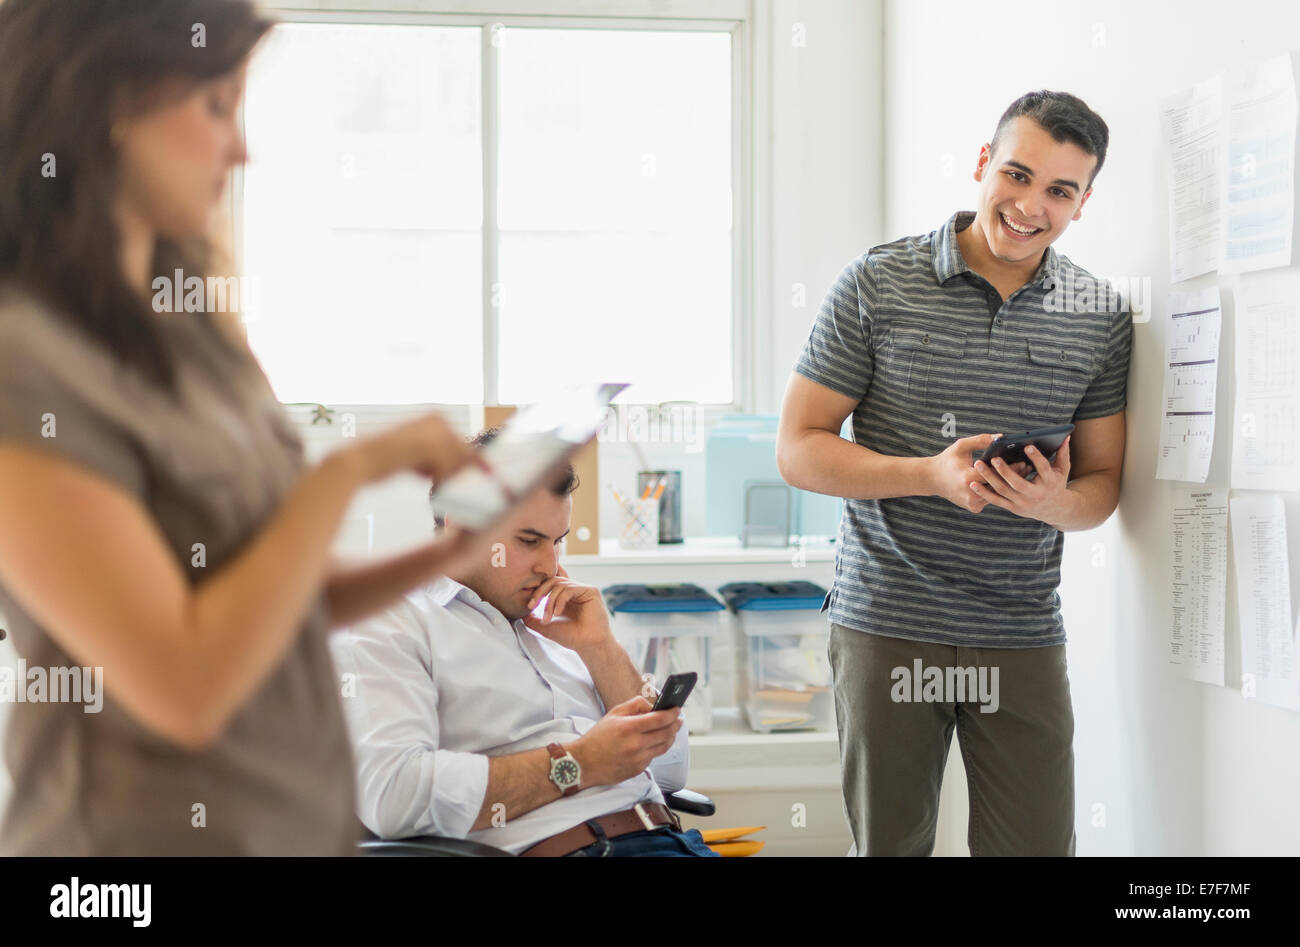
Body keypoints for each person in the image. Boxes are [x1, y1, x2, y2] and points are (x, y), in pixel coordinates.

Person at [0, 0, 501, 855]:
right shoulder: (24, 364)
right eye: (216, 106)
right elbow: (185, 680)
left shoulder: (193, 329)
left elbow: (274, 590)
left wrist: (449, 555)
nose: (242, 148)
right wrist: (347, 473)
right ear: (107, 102)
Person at [776, 91, 1131, 856]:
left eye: (1060, 191)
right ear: (983, 163)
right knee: (891, 847)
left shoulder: (1099, 315)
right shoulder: (877, 282)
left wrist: (1051, 501)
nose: (1031, 206)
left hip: (1021, 630)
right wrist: (926, 474)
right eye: (1018, 174)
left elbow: (1101, 491)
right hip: (888, 621)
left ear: (1083, 202)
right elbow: (798, 446)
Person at [330, 427, 718, 857]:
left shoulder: (561, 623)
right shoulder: (392, 621)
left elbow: (669, 773)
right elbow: (394, 795)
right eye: (529, 541)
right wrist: (580, 763)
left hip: (675, 842)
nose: (550, 565)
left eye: (559, 542)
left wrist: (600, 648)